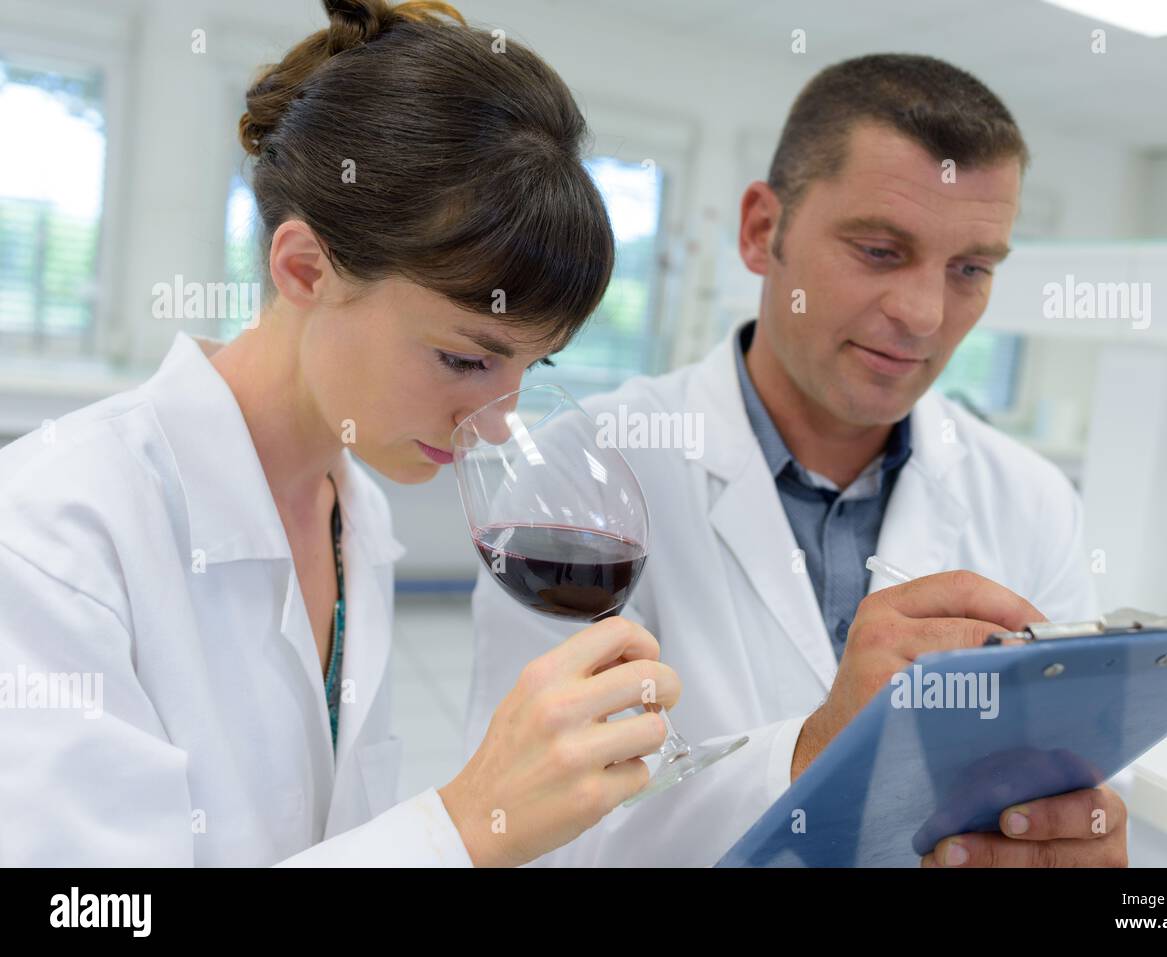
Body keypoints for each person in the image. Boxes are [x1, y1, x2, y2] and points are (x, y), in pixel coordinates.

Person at [0, 0, 680, 867]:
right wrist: (464, 825)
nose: (499, 423)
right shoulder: (53, 537)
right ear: (304, 269)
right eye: (466, 359)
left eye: (529, 366)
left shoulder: (357, 518)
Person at [467, 54, 1128, 867]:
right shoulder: (586, 471)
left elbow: (1063, 778)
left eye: (970, 269)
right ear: (761, 231)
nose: (924, 314)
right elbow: (523, 834)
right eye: (880, 250)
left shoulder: (1032, 500)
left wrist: (1064, 837)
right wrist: (810, 755)